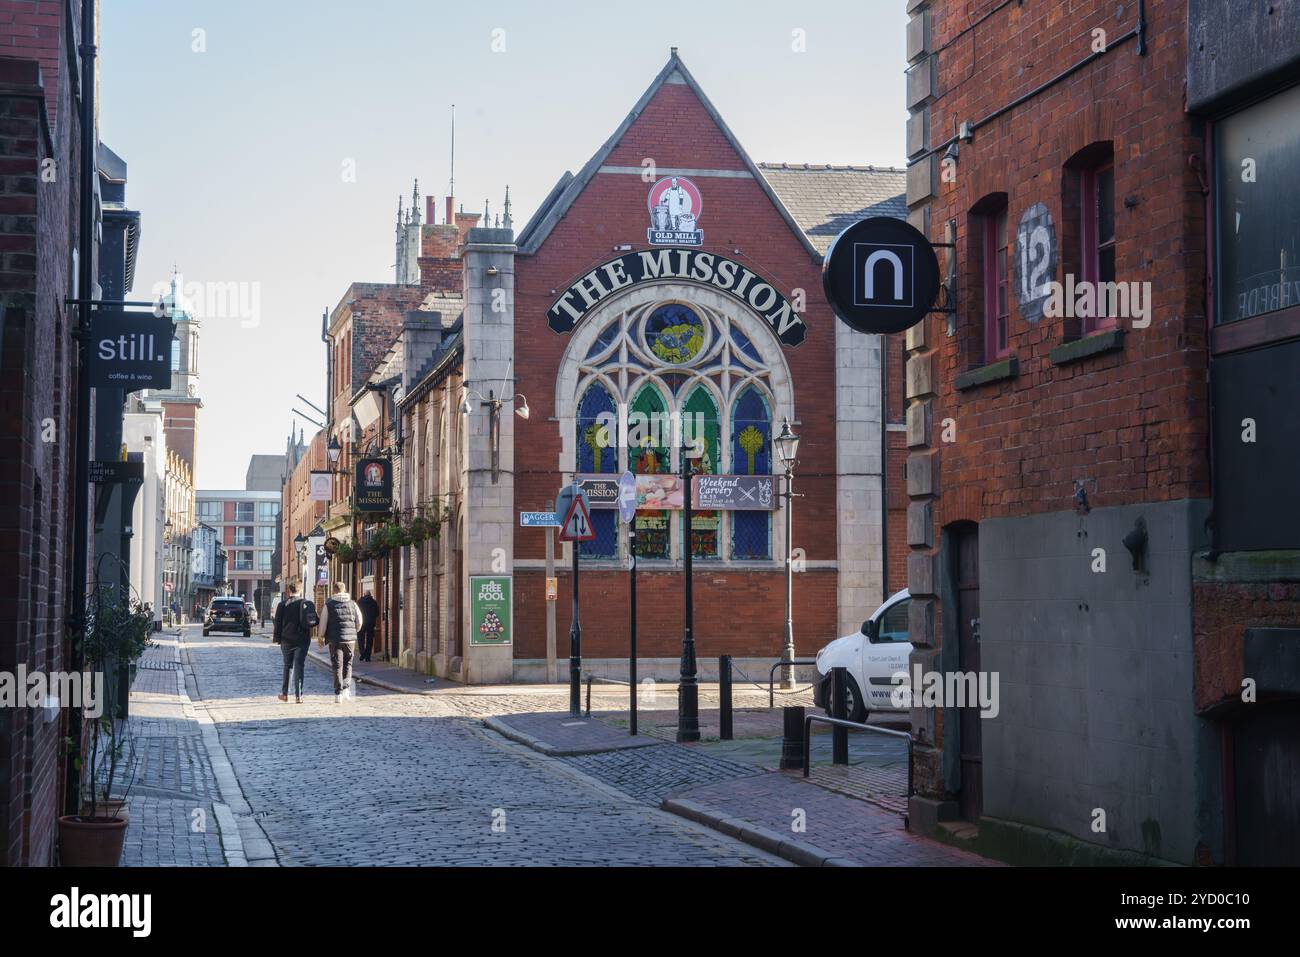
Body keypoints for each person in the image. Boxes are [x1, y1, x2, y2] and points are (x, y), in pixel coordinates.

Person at [318, 581, 362, 703]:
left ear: (334, 591)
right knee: (348, 664)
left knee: (337, 665)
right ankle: (346, 690)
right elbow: (359, 621)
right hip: (350, 640)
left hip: (334, 639)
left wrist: (321, 637)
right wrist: (354, 631)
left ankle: (338, 693)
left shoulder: (329, 605)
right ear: (344, 590)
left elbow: (323, 622)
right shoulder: (353, 604)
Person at [272, 582, 315, 704]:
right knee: (299, 666)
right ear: (301, 590)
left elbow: (278, 623)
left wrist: (277, 639)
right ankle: (299, 696)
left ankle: (285, 694)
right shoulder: (305, 604)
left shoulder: (282, 605)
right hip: (302, 640)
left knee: (288, 666)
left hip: (287, 640)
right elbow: (312, 620)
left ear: (289, 591)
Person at [356, 590, 379, 663]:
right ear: (370, 595)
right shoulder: (374, 602)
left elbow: (356, 613)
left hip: (361, 624)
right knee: (370, 641)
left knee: (360, 639)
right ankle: (367, 656)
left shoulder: (359, 602)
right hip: (371, 624)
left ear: (364, 594)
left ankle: (362, 653)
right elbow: (377, 613)